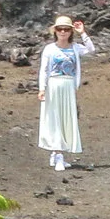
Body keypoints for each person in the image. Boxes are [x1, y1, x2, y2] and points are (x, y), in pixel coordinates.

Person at [36, 15, 94, 172]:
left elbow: (91, 49)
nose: (63, 32)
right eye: (60, 29)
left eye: (66, 29)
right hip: (53, 86)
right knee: (54, 119)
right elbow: (44, 70)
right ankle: (59, 154)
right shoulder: (49, 49)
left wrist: (82, 32)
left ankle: (57, 152)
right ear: (55, 31)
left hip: (68, 87)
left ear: (70, 31)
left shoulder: (75, 47)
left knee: (65, 119)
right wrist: (42, 88)